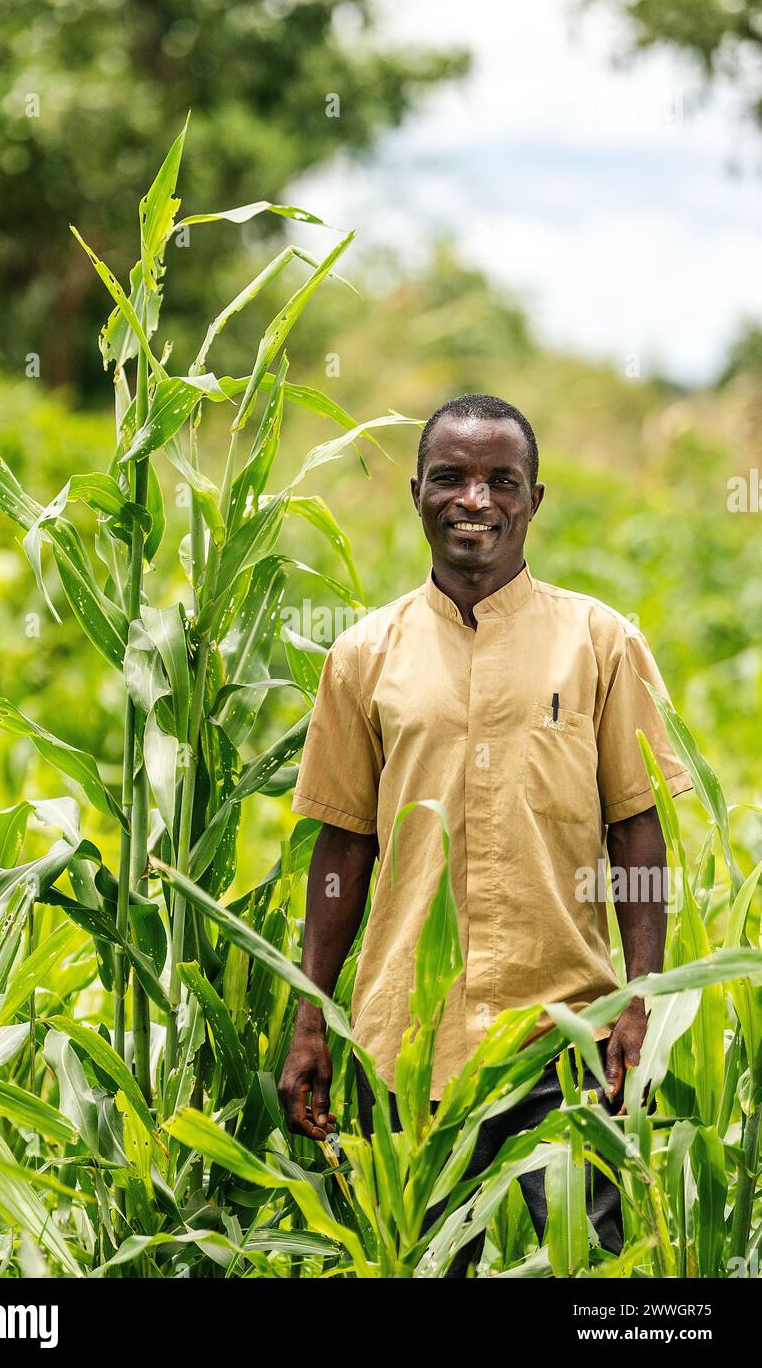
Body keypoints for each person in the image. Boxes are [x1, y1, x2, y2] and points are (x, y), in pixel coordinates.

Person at [278, 393, 693, 1273]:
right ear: (417, 493)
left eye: (500, 480)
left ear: (533, 499)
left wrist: (641, 998)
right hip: (402, 1049)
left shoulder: (600, 643)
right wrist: (310, 1016)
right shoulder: (362, 655)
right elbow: (342, 846)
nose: (475, 500)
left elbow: (637, 833)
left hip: (564, 1043)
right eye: (451, 478)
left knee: (577, 1267)